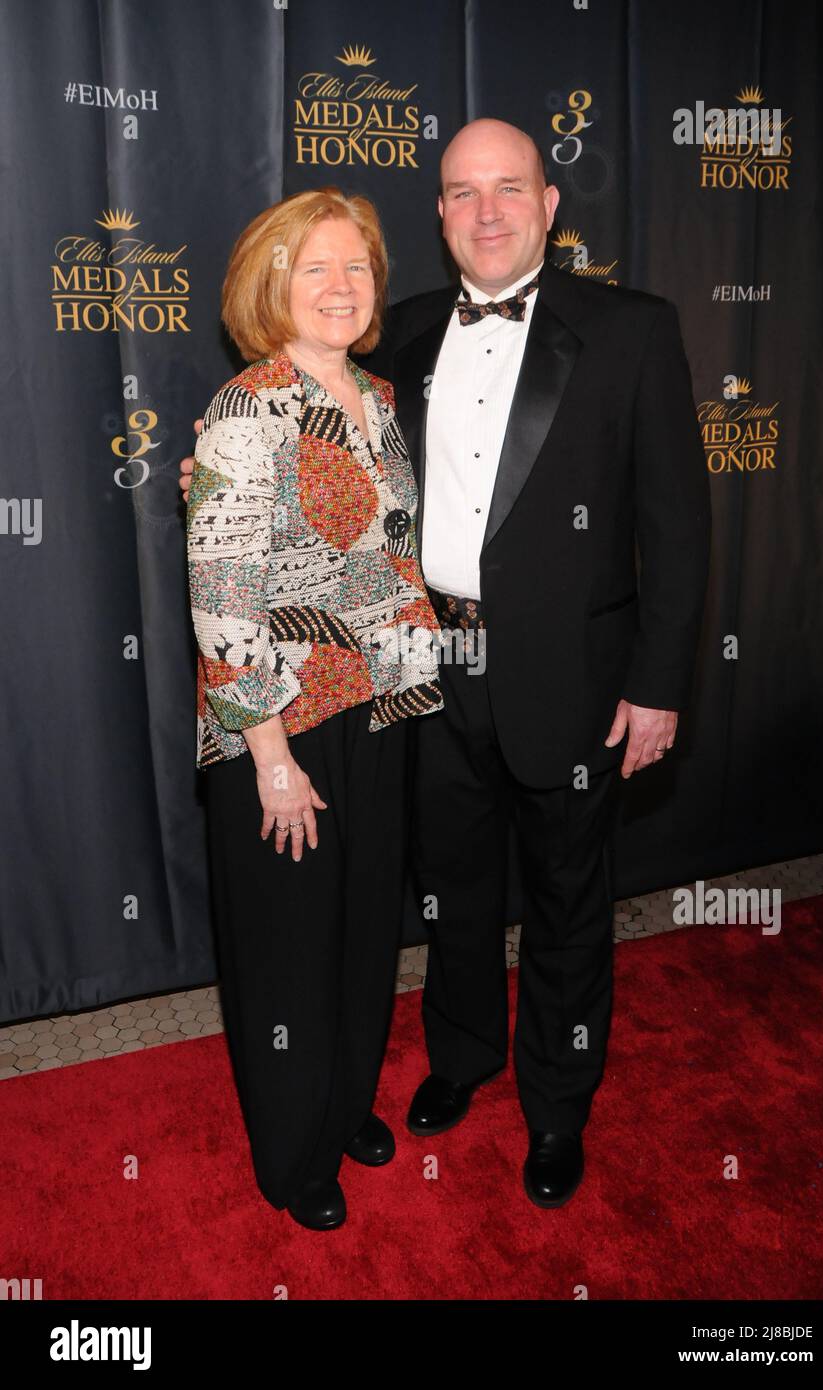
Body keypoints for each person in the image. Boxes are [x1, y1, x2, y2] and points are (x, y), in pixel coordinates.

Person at [181, 119, 711, 1211]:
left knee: (567, 899)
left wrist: (656, 682)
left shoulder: (632, 333)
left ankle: (558, 1107)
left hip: (569, 673)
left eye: (507, 189)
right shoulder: (403, 335)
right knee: (452, 890)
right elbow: (282, 447)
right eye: (461, 192)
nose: (484, 212)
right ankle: (460, 1058)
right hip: (417, 675)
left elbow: (679, 523)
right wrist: (215, 466)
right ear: (437, 214)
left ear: (548, 205)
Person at [186, 186, 443, 1230]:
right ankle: (291, 1154)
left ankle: (342, 1106)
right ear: (271, 285)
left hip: (380, 703)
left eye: (357, 267)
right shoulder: (247, 408)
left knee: (357, 931)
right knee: (289, 946)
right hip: (280, 724)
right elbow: (220, 593)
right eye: (314, 269)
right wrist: (269, 755)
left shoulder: (377, 397)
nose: (340, 287)